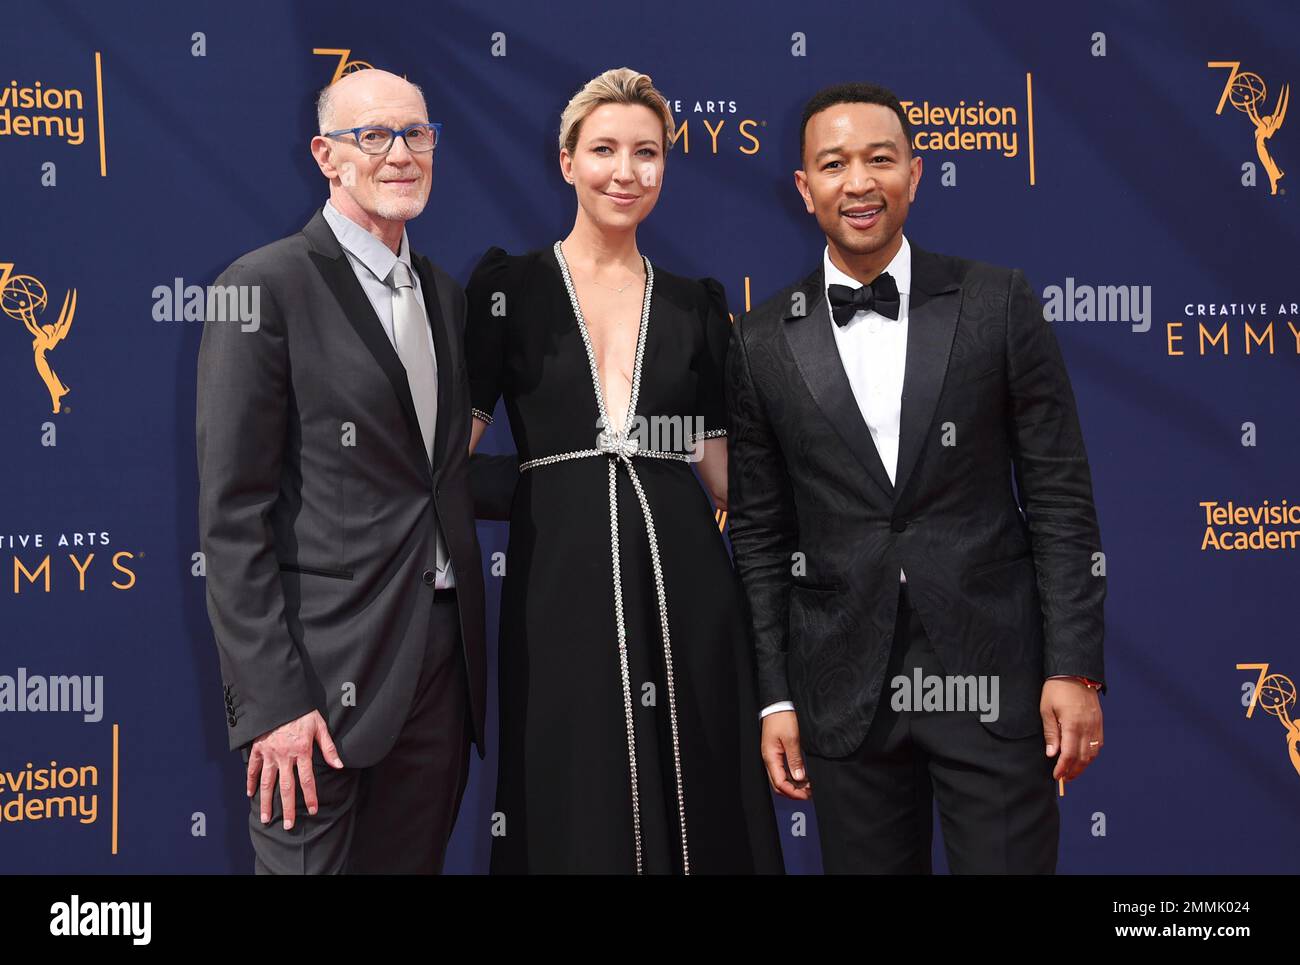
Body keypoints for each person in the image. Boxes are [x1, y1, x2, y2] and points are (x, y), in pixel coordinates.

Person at [726, 82, 1107, 874]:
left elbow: (1060, 496)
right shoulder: (762, 340)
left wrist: (1072, 667)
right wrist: (775, 696)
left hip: (993, 675)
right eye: (833, 164)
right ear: (804, 188)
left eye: (879, 159)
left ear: (916, 172)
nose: (857, 182)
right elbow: (761, 533)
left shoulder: (996, 302)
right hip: (843, 685)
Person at [465, 67, 783, 874]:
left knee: (698, 779)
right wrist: (542, 486)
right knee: (572, 783)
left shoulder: (696, 305)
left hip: (687, 584)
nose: (626, 170)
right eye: (604, 148)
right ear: (567, 160)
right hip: (558, 584)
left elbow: (723, 477)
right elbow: (447, 465)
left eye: (647, 153)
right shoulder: (509, 290)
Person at [196, 68, 487, 874]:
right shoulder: (260, 287)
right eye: (374, 136)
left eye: (417, 134)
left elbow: (433, 479)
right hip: (316, 680)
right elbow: (232, 517)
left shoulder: (444, 295)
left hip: (439, 663)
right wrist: (273, 704)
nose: (401, 154)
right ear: (327, 156)